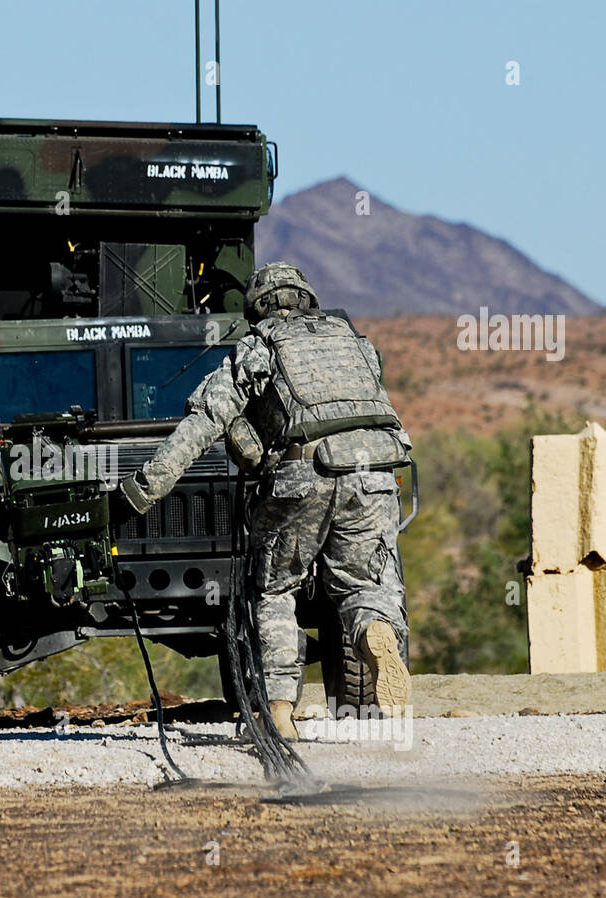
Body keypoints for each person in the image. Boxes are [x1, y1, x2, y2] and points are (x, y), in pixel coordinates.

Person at [114, 262, 412, 739]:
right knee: (366, 587)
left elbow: (205, 421)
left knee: (275, 590)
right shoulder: (355, 343)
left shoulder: (261, 346)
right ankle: (375, 632)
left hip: (303, 471)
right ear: (308, 299)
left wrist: (142, 490)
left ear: (257, 309)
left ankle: (277, 713)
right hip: (375, 473)